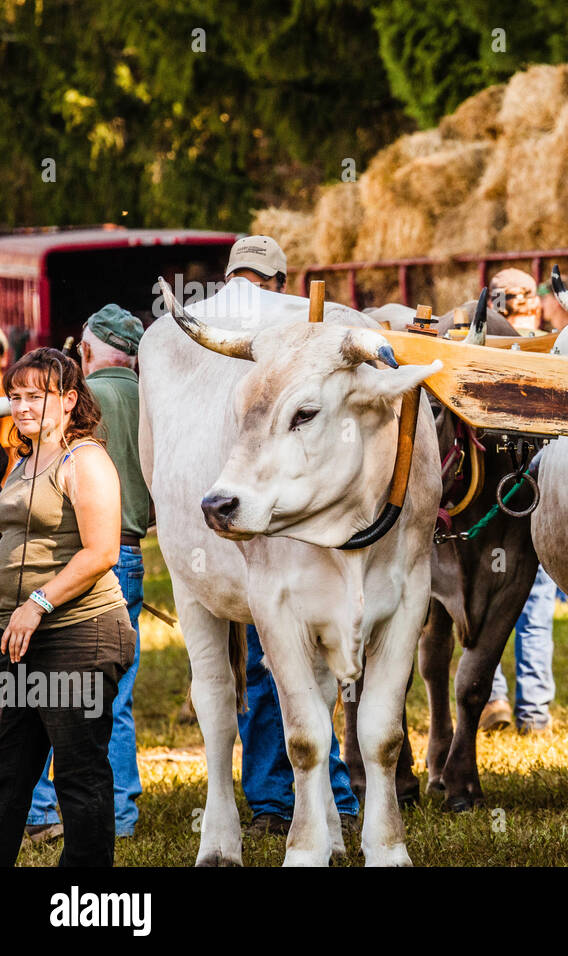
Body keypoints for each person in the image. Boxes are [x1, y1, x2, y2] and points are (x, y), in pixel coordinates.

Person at [193, 237, 360, 832]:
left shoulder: (275, 339)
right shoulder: (276, 338)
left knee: (296, 668)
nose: (254, 292)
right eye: (251, 280)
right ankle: (294, 798)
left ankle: (303, 797)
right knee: (287, 666)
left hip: (287, 529)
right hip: (274, 534)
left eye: (258, 282)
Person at [0, 349, 136, 865]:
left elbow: (101, 551)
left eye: (36, 396)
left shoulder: (86, 459)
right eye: (16, 396)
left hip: (79, 632)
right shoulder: (23, 460)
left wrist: (36, 602)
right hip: (19, 639)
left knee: (79, 773)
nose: (22, 406)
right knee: (8, 769)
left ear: (70, 399)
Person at [24, 305, 153, 845]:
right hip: (130, 553)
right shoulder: (155, 399)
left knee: (44, 686)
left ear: (91, 349)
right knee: (112, 695)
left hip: (75, 558)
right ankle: (121, 812)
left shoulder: (79, 403)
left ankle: (41, 811)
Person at [481, 267, 557, 733]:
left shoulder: (556, 348)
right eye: (509, 295)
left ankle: (534, 711)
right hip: (493, 499)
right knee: (486, 607)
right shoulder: (479, 348)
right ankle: (494, 702)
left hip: (541, 498)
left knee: (537, 608)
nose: (521, 302)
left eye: (527, 293)